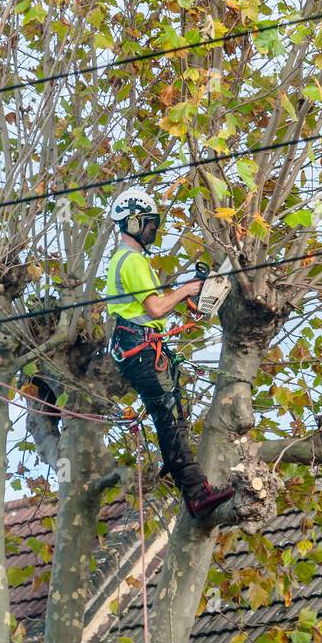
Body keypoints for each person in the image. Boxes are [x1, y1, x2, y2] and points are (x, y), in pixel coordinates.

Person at [105, 186, 235, 517]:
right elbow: (157, 307)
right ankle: (195, 493)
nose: (154, 231)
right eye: (149, 224)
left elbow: (147, 311)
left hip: (138, 345)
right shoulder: (131, 260)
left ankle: (178, 468)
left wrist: (186, 298)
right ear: (133, 223)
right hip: (141, 349)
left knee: (174, 414)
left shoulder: (124, 260)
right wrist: (188, 289)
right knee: (170, 419)